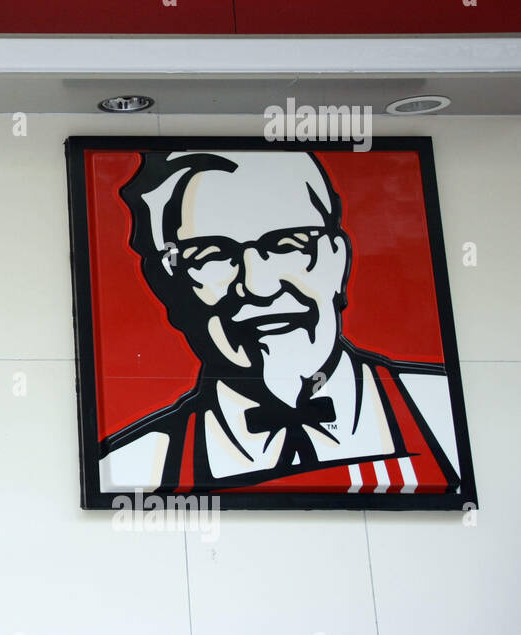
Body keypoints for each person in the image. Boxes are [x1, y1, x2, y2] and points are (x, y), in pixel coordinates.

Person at [99, 150, 463, 496]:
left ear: (337, 261)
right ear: (168, 286)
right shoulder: (134, 468)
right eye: (212, 255)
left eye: (289, 244)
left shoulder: (440, 413)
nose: (259, 286)